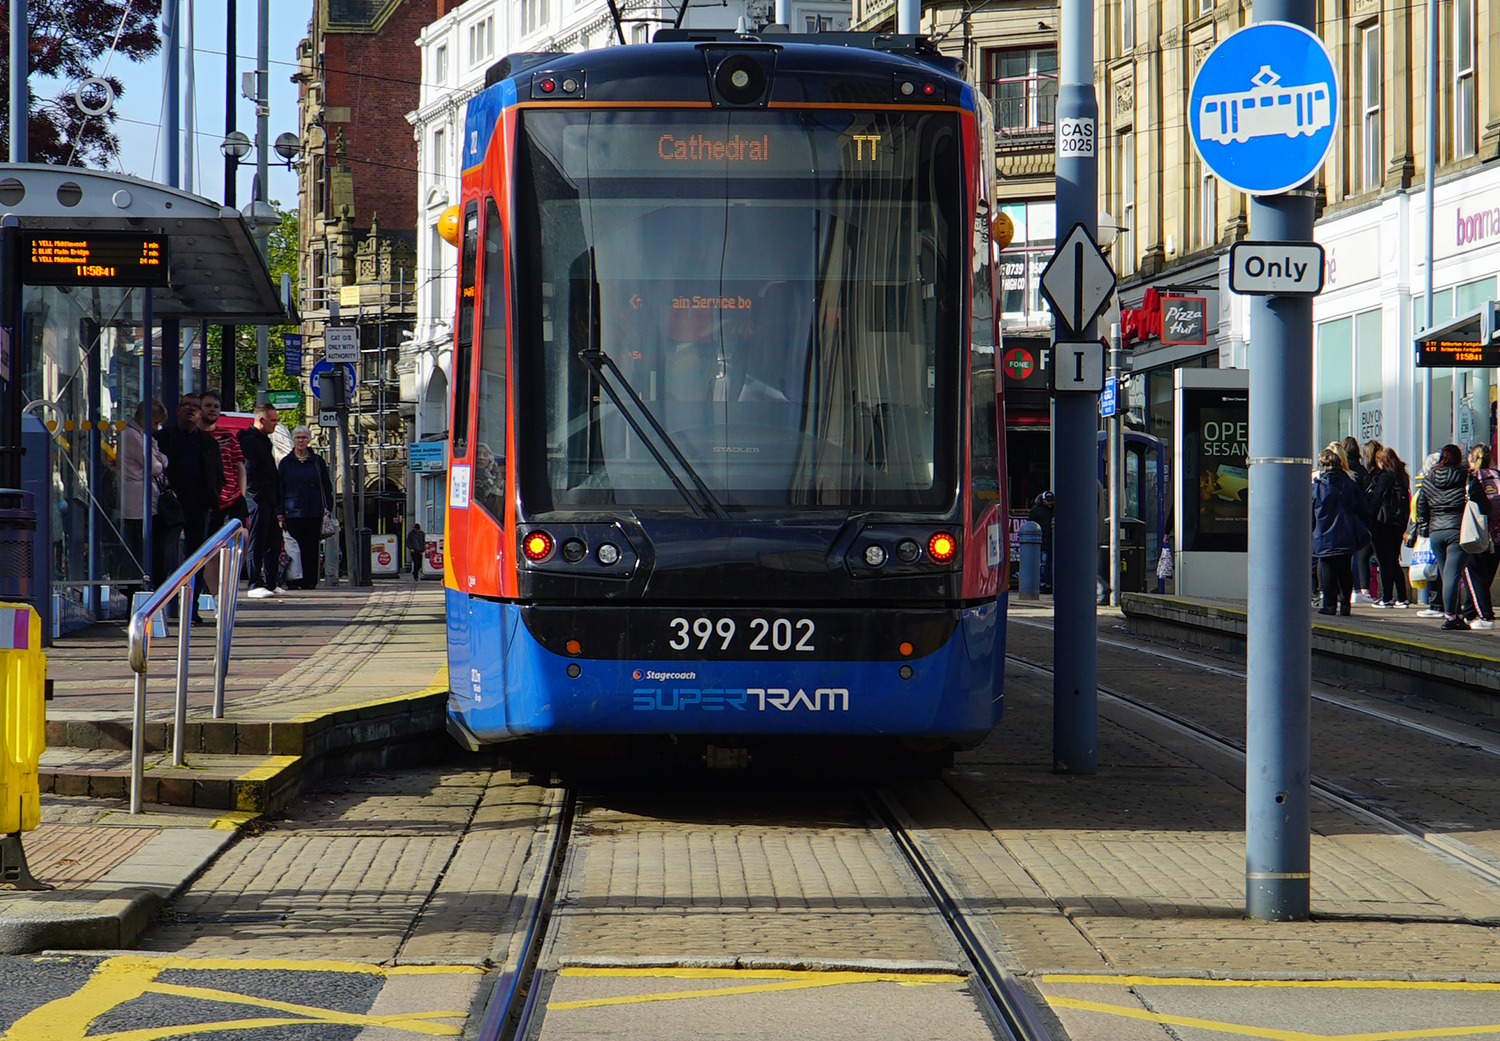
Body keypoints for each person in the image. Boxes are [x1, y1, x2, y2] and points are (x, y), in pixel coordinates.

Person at [157, 393, 223, 624]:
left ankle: (190, 609)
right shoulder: (163, 438)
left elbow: (218, 474)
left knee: (196, 558)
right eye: (187, 406)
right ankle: (159, 607)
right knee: (164, 556)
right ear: (178, 409)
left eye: (196, 407)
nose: (192, 411)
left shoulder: (207, 443)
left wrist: (212, 497)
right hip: (169, 507)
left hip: (199, 506)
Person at [1412, 443, 1489, 630]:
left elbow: (1421, 505)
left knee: (1446, 573)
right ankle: (1451, 617)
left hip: (1436, 532)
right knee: (1453, 574)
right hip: (1458, 530)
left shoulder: (1430, 478)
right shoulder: (1466, 477)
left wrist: (1424, 529)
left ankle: (1453, 614)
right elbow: (1483, 504)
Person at [1312, 446, 1371, 616]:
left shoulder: (1317, 487)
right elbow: (1363, 510)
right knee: (1345, 569)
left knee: (1327, 568)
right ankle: (1345, 604)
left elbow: (1310, 512)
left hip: (1323, 535)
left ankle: (1329, 605)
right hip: (1346, 533)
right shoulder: (1349, 484)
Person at [277, 425, 334, 590]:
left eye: (303, 437)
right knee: (295, 547)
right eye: (297, 437)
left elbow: (325, 486)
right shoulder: (286, 463)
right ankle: (293, 579)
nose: (300, 441)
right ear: (293, 440)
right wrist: (280, 512)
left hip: (314, 510)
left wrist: (327, 507)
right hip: (293, 511)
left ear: (309, 439)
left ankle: (310, 580)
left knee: (311, 547)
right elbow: (280, 488)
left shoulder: (317, 461)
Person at [121, 400, 168, 588]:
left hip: (145, 500)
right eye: (155, 423)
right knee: (141, 549)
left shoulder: (142, 436)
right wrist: (161, 459)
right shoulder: (132, 435)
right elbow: (156, 466)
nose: (156, 428)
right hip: (138, 503)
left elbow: (160, 459)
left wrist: (161, 458)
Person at [238, 404, 283, 599]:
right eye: (272, 420)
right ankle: (254, 582)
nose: (275, 424)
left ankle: (271, 582)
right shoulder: (250, 440)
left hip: (269, 498)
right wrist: (257, 496)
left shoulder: (265, 441)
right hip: (259, 499)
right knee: (257, 540)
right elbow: (249, 469)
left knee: (274, 540)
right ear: (261, 420)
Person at [1366, 446, 1411, 609]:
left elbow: (1376, 499)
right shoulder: (1402, 476)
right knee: (1393, 560)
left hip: (1383, 523)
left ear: (1381, 461)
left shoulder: (1384, 477)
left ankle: (1386, 598)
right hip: (1398, 523)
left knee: (1384, 562)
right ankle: (1402, 597)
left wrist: (1369, 518)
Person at [201, 390, 248, 541]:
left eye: (216, 406)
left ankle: (239, 566)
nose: (212, 409)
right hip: (208, 500)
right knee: (208, 543)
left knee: (240, 538)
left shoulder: (228, 436)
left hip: (232, 497)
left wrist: (240, 494)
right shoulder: (196, 437)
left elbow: (240, 466)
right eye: (207, 405)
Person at [1464, 444, 1500, 629]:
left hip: (1479, 533)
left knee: (1475, 574)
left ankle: (1486, 617)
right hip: (1498, 535)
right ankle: (1469, 612)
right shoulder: (1498, 475)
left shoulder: (1471, 478)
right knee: (1484, 577)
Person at [1343, 436, 1376, 602]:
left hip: (1341, 517)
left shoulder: (1342, 471)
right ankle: (1359, 590)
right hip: (1357, 518)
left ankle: (1342, 591)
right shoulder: (1361, 472)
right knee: (1359, 555)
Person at [1028, 490, 1054, 593]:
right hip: (1043, 539)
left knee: (1049, 563)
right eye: (1048, 501)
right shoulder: (1036, 511)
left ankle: (1049, 583)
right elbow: (1031, 524)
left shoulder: (1054, 510)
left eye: (1051, 501)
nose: (1050, 503)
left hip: (1051, 539)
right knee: (1044, 562)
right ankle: (1043, 584)